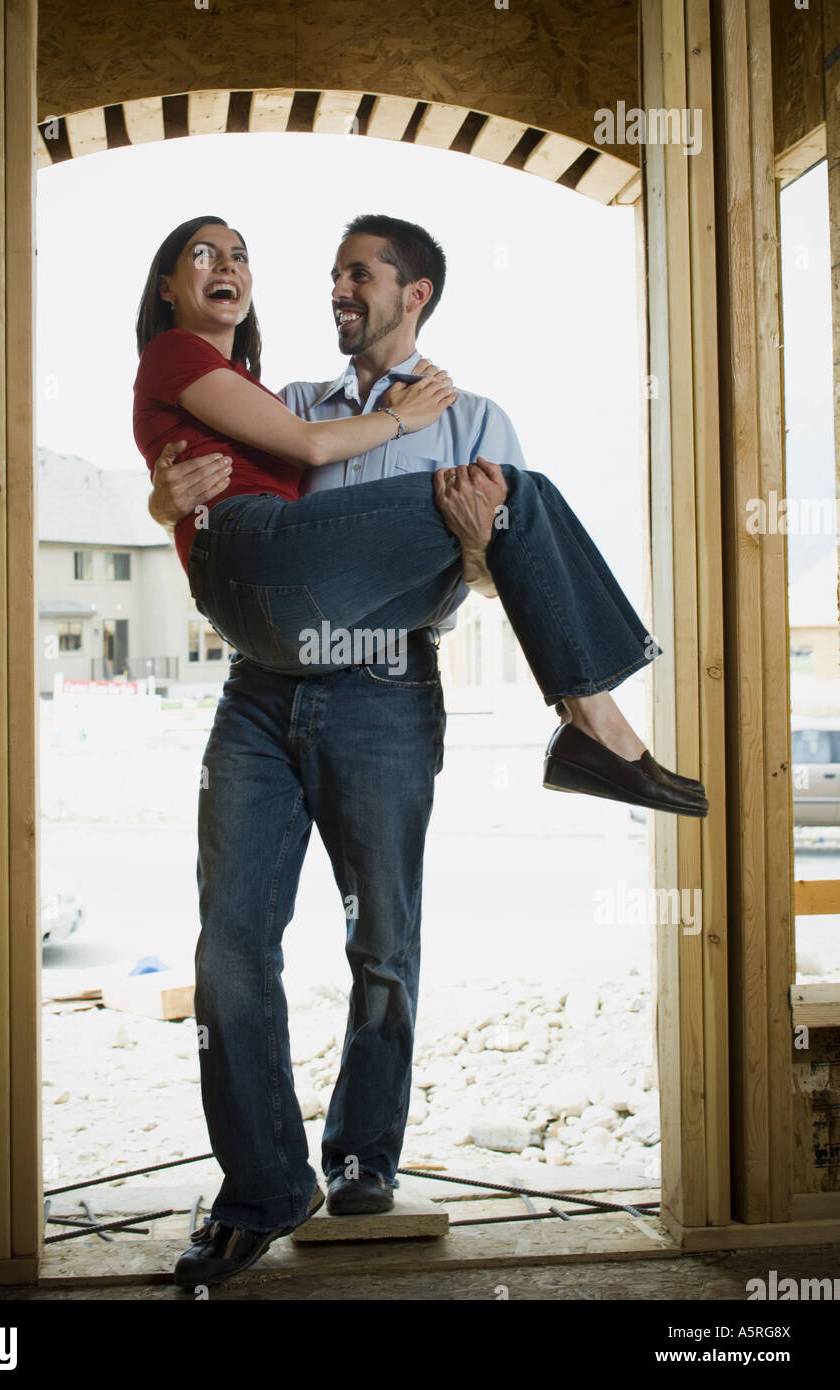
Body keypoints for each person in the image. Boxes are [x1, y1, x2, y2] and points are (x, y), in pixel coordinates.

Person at [135, 214, 707, 1288]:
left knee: (382, 942)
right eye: (333, 277)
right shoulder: (295, 406)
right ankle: (260, 1184)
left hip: (386, 691)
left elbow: (505, 583)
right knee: (227, 946)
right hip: (262, 690)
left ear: (418, 293)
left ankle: (360, 1157)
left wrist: (482, 544)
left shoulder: (474, 419)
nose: (339, 291)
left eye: (360, 276)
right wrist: (162, 497)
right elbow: (220, 517)